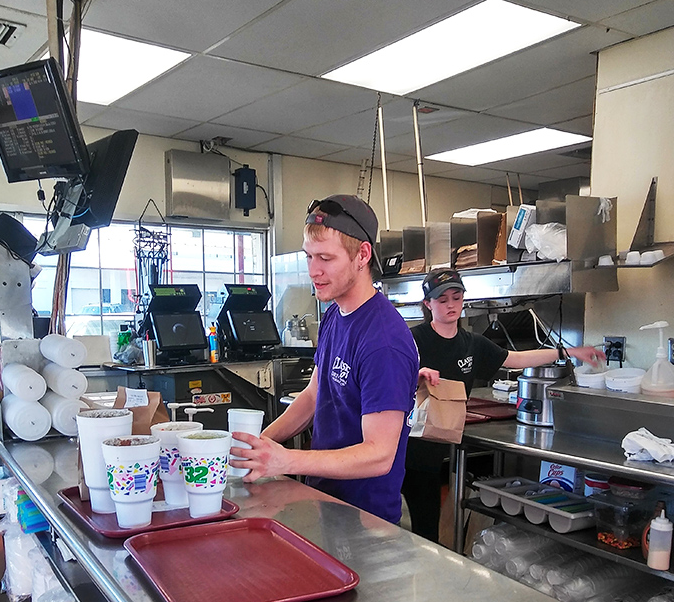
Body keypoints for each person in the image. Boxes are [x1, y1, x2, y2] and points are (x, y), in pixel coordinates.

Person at [230, 195, 419, 524]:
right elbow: (314, 395)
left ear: (362, 255)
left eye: (326, 258)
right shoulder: (335, 315)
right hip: (324, 499)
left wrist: (287, 461)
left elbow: (379, 455)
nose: (313, 271)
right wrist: (261, 446)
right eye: (309, 257)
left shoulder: (384, 341)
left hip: (365, 516)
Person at [403, 267, 605, 543]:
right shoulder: (413, 340)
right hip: (403, 447)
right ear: (428, 304)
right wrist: (416, 375)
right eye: (442, 300)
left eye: (456, 297)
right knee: (392, 523)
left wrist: (568, 352)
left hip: (434, 452)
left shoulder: (472, 344)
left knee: (426, 532)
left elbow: (516, 359)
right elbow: (385, 377)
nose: (451, 305)